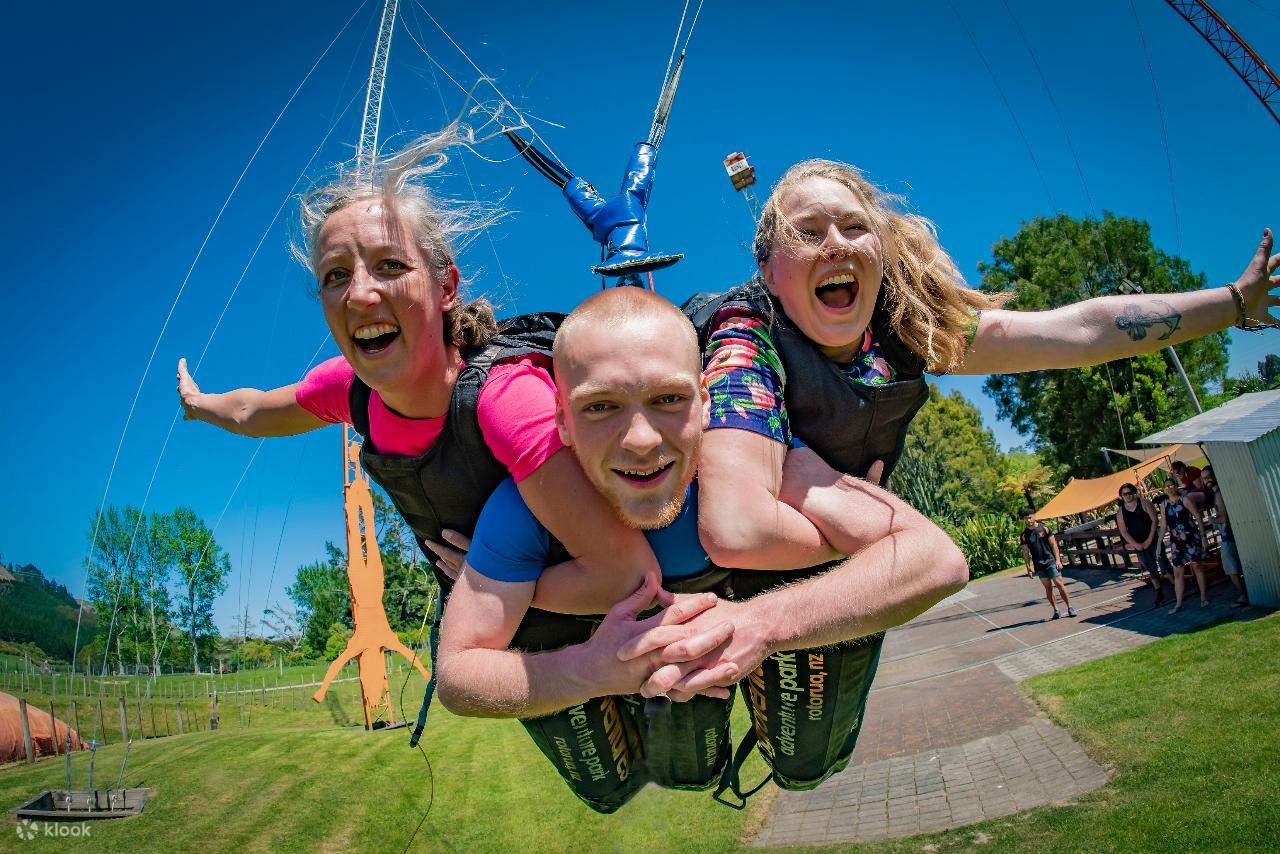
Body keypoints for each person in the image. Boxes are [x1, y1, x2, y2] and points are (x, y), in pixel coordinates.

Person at [676, 159, 1277, 789]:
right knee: (683, 750)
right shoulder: (746, 337)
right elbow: (739, 528)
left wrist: (1231, 305)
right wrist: (870, 524)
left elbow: (1078, 328)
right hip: (723, 576)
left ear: (879, 248)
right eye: (808, 231)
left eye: (854, 227)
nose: (835, 244)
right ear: (769, 268)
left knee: (808, 763)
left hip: (838, 569)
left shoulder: (906, 333)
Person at [175, 127, 707, 741]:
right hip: (514, 639)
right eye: (335, 276)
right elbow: (259, 409)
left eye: (390, 266)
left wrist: (498, 583)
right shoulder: (350, 390)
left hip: (595, 615)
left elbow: (625, 574)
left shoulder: (508, 402)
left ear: (445, 286)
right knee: (605, 789)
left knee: (669, 756)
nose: (361, 293)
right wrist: (201, 404)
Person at [434, 288, 966, 812]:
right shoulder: (529, 507)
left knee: (805, 763)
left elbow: (935, 559)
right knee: (670, 766)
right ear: (561, 423)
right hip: (620, 656)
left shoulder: (759, 463)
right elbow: (457, 677)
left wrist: (758, 626)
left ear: (706, 402)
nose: (640, 440)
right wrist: (592, 668)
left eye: (668, 399)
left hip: (754, 607)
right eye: (601, 407)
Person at [1159, 479, 1211, 613]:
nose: (1169, 488)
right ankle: (1178, 603)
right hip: (1176, 541)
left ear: (1176, 486)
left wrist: (1204, 537)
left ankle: (1203, 597)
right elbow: (1164, 526)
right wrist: (1159, 544)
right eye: (1166, 487)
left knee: (1197, 566)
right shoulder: (1164, 505)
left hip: (1190, 537)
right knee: (1177, 571)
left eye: (1171, 485)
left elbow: (1198, 517)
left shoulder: (1185, 500)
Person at [1115, 482, 1168, 605]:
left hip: (1152, 538)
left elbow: (1154, 520)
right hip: (1138, 543)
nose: (1128, 496)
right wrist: (1136, 545)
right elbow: (1124, 532)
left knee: (1162, 562)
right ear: (1121, 496)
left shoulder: (1144, 503)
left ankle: (1174, 582)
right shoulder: (1121, 512)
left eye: (1130, 493)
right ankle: (1159, 592)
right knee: (1151, 568)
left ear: (1134, 493)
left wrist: (1149, 539)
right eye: (1125, 494)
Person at [1202, 467, 1248, 607]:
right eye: (1204, 478)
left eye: (1209, 476)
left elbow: (1223, 518)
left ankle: (1243, 595)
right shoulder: (1220, 492)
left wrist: (1211, 520)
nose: (1207, 480)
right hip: (1231, 534)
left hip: (1228, 535)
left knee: (1231, 569)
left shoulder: (1218, 494)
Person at [1019, 509, 1076, 619]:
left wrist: (1058, 560)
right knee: (1048, 588)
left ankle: (1070, 607)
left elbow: (1054, 544)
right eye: (1026, 518)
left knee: (1059, 584)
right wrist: (1028, 567)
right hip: (1038, 564)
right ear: (1024, 520)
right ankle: (1056, 610)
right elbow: (1025, 552)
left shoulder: (1044, 528)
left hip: (1050, 561)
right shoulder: (1024, 535)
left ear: (1034, 516)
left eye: (1030, 517)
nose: (1029, 520)